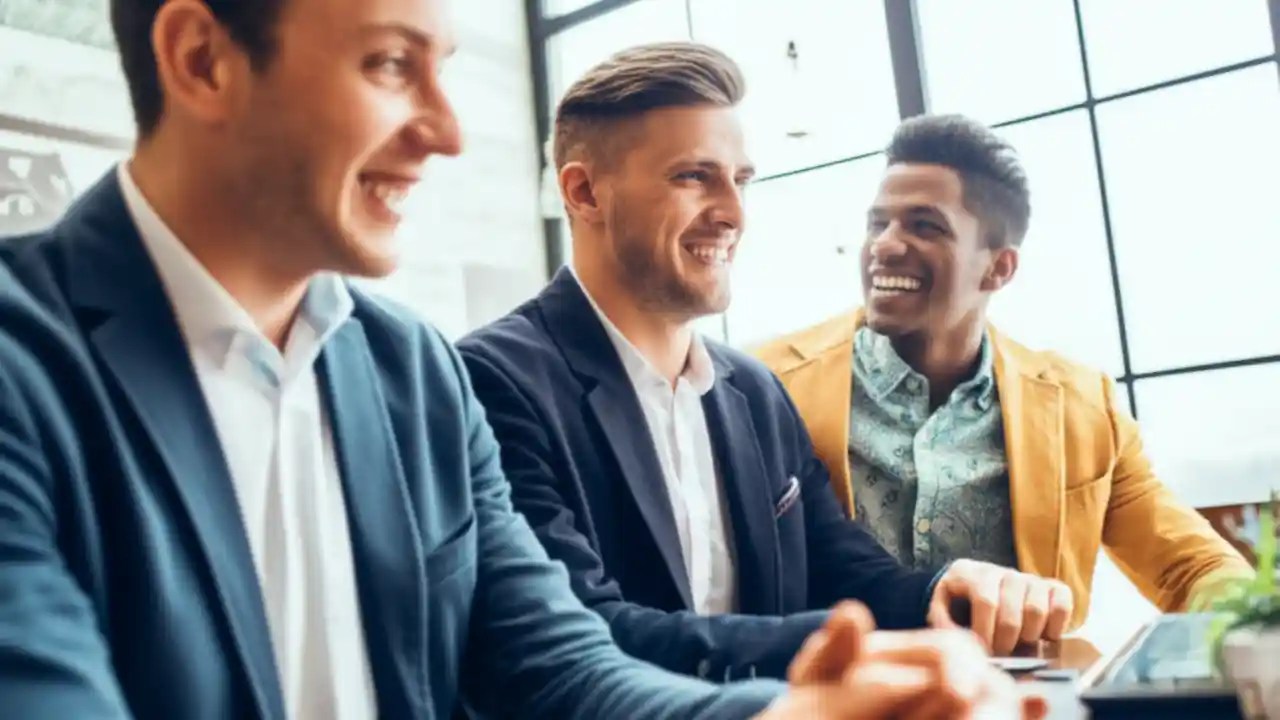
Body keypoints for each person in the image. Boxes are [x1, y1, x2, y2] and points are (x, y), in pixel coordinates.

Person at [0, 0, 1043, 717]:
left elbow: (553, 665)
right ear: (203, 59)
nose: (447, 133)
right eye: (390, 64)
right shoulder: (23, 363)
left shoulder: (410, 373)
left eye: (444, 69)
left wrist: (790, 713)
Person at [458, 41, 1073, 685]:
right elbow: (580, 632)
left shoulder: (752, 390)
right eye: (693, 177)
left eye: (741, 180)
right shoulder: (491, 381)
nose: (732, 213)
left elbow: (840, 567)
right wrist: (847, 647)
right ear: (584, 192)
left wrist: (943, 591)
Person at [754, 113, 1252, 631]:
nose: (885, 245)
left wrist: (1255, 623)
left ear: (999, 267)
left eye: (925, 226)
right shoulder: (770, 385)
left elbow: (1189, 567)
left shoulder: (1082, 407)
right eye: (878, 223)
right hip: (829, 677)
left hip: (1022, 682)